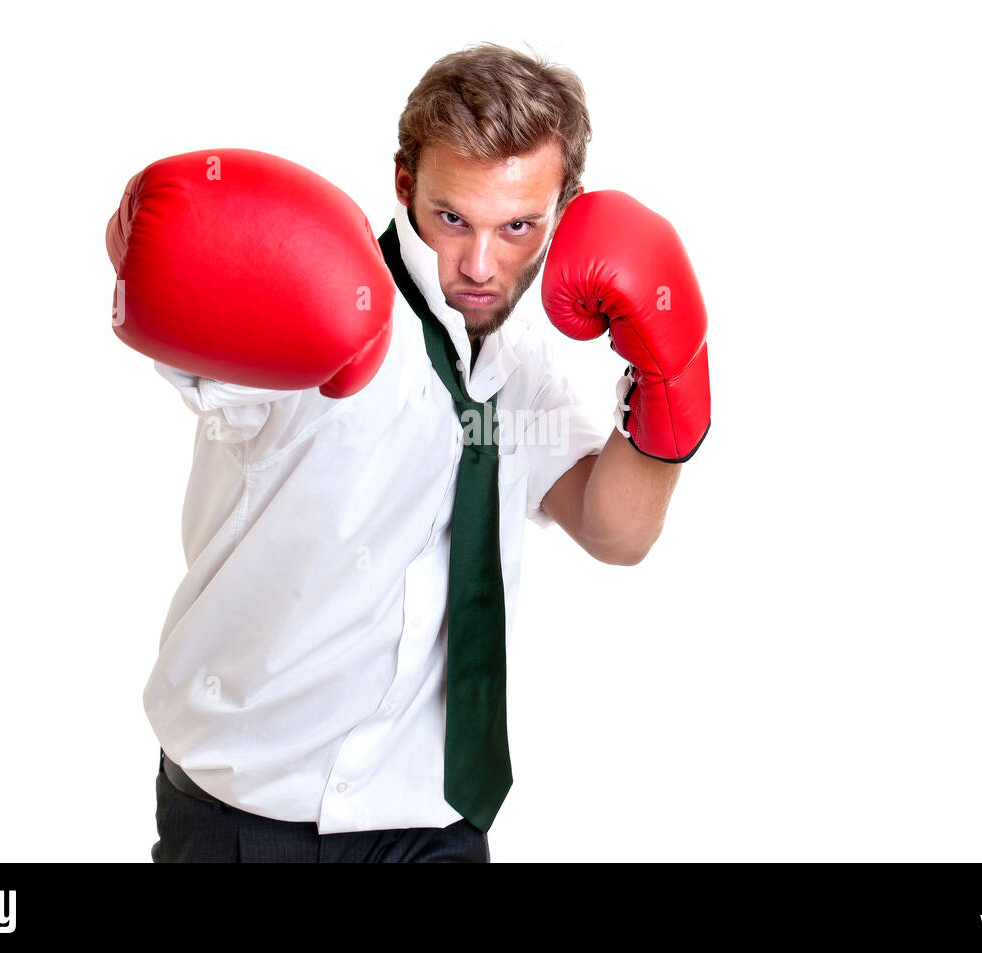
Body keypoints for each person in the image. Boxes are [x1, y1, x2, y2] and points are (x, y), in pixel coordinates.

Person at [116, 42, 709, 863]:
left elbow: (618, 531)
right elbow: (201, 356)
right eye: (452, 217)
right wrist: (178, 266)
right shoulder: (318, 296)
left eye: (518, 229)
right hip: (245, 811)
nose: (479, 263)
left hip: (431, 816)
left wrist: (673, 378)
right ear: (404, 186)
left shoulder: (522, 357)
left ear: (561, 213)